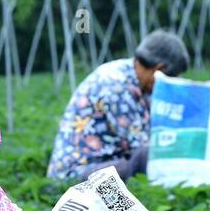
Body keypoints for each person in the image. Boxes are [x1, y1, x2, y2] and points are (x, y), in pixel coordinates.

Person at [47, 29, 190, 182]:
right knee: (146, 157)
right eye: (170, 79)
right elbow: (143, 147)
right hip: (77, 173)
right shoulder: (116, 86)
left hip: (107, 163)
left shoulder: (134, 77)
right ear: (159, 69)